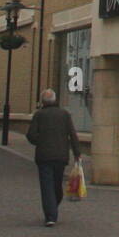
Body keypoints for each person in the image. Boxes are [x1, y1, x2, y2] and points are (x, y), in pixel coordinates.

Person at [25, 88, 81, 227]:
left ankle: (50, 215)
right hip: (61, 155)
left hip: (44, 156)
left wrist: (40, 141)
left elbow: (31, 135)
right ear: (55, 100)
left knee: (47, 186)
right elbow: (72, 134)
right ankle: (53, 207)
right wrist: (77, 153)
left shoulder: (39, 115)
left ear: (43, 101)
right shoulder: (64, 114)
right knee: (56, 184)